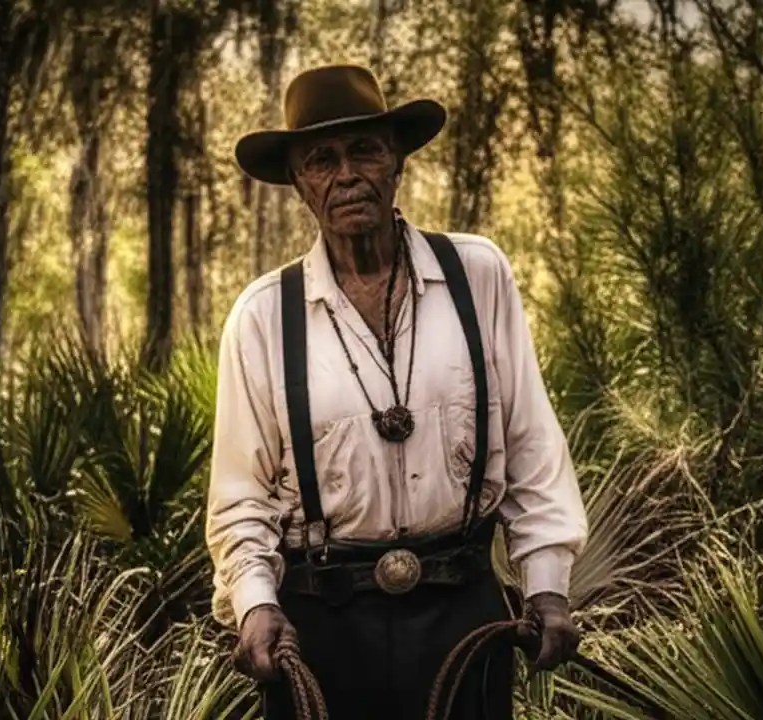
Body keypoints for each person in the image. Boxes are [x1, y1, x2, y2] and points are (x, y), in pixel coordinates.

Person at [206, 63, 588, 720]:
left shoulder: (478, 275)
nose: (347, 174)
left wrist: (547, 584)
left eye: (365, 150)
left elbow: (530, 443)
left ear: (397, 162)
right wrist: (256, 603)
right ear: (299, 183)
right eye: (321, 160)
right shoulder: (264, 316)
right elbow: (241, 496)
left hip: (464, 613)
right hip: (323, 623)